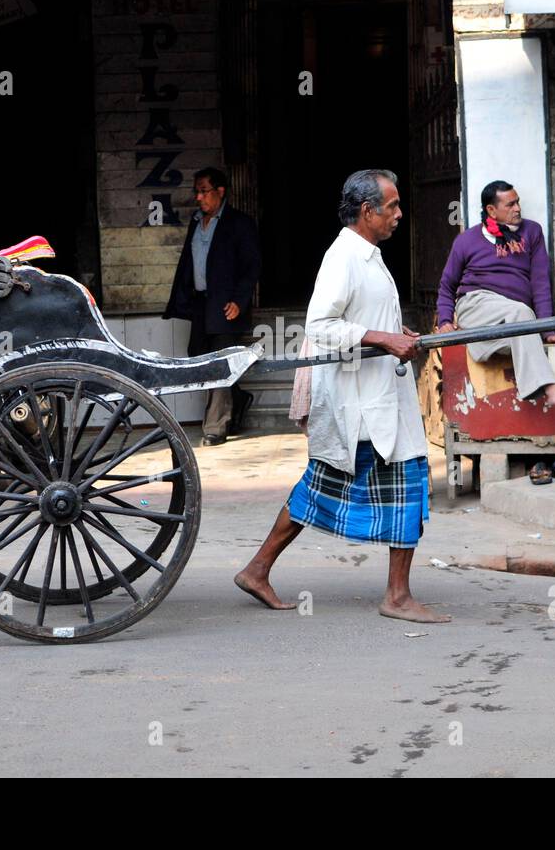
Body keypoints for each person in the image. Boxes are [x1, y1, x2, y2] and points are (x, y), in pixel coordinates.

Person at [234, 169, 448, 624]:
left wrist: (397, 335)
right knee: (401, 485)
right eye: (391, 206)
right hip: (361, 401)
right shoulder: (344, 257)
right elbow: (321, 328)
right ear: (367, 211)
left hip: (376, 395)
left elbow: (365, 317)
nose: (398, 214)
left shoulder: (368, 254)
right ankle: (396, 596)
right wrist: (385, 340)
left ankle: (257, 569)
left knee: (323, 490)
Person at [436, 180, 555, 405]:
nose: (518, 208)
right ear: (491, 210)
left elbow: (540, 284)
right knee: (521, 314)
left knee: (519, 329)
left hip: (511, 318)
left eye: (518, 202)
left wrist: (547, 331)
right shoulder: (467, 240)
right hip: (476, 305)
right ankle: (550, 388)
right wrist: (445, 320)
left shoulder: (532, 232)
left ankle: (479, 345)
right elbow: (447, 285)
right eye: (510, 205)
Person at [163, 167, 259, 445]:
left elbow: (252, 266)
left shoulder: (239, 223)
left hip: (226, 305)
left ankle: (216, 427)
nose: (198, 197)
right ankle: (238, 398)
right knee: (197, 355)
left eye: (203, 191)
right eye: (196, 191)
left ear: (220, 192)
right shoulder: (196, 221)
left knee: (219, 364)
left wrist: (240, 301)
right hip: (200, 305)